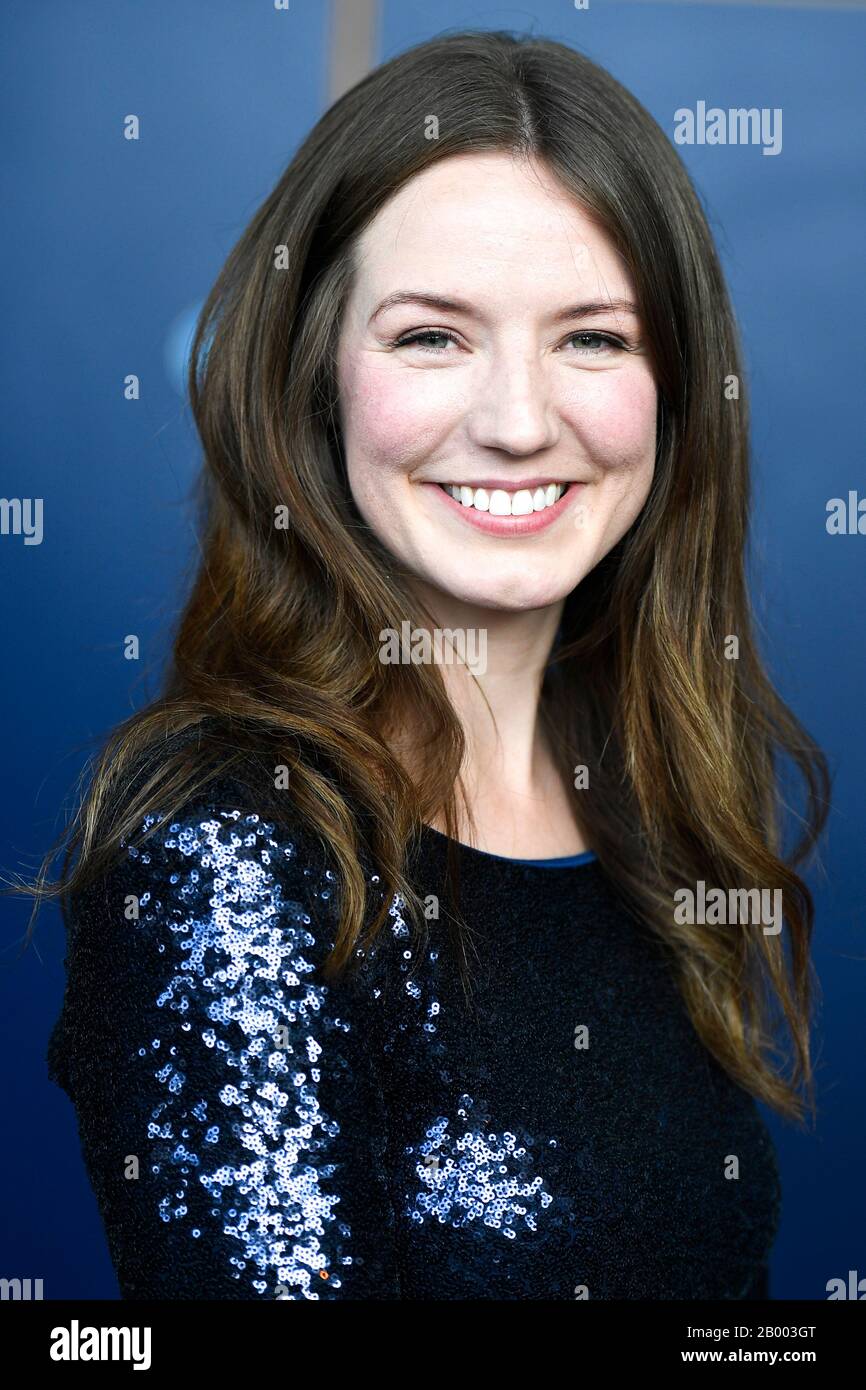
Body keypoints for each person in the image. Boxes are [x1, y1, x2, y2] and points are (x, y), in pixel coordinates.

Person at [38, 30, 828, 1299]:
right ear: (314, 385)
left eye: (591, 339)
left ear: (672, 392)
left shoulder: (637, 802)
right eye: (429, 338)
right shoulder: (226, 857)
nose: (518, 422)